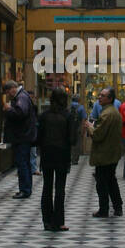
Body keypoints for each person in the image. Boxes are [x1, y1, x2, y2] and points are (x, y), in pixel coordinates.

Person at [37, 87, 79, 231]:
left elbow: (39, 137)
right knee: (60, 188)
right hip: (62, 154)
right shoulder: (67, 116)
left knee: (47, 187)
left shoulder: (44, 115)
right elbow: (72, 139)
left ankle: (47, 221)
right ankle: (58, 221)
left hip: (47, 154)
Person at [88, 86, 123, 217]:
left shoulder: (107, 114)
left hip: (104, 154)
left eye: (102, 96)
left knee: (102, 183)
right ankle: (118, 207)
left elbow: (98, 135)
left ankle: (104, 209)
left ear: (110, 99)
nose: (99, 97)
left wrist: (90, 127)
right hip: (111, 153)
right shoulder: (112, 112)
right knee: (111, 180)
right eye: (100, 95)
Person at [2, 79, 37, 197]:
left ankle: (25, 190)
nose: (8, 95)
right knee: (24, 163)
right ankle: (25, 189)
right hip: (23, 136)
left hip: (22, 137)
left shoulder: (21, 97)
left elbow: (20, 113)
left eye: (8, 92)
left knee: (22, 163)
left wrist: (8, 109)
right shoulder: (22, 96)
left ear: (13, 88)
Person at [69, 92, 87, 165]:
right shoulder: (81, 107)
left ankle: (69, 158)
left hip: (69, 127)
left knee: (69, 143)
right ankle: (75, 160)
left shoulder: (68, 106)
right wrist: (82, 130)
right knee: (77, 144)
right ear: (79, 99)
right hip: (78, 128)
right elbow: (83, 119)